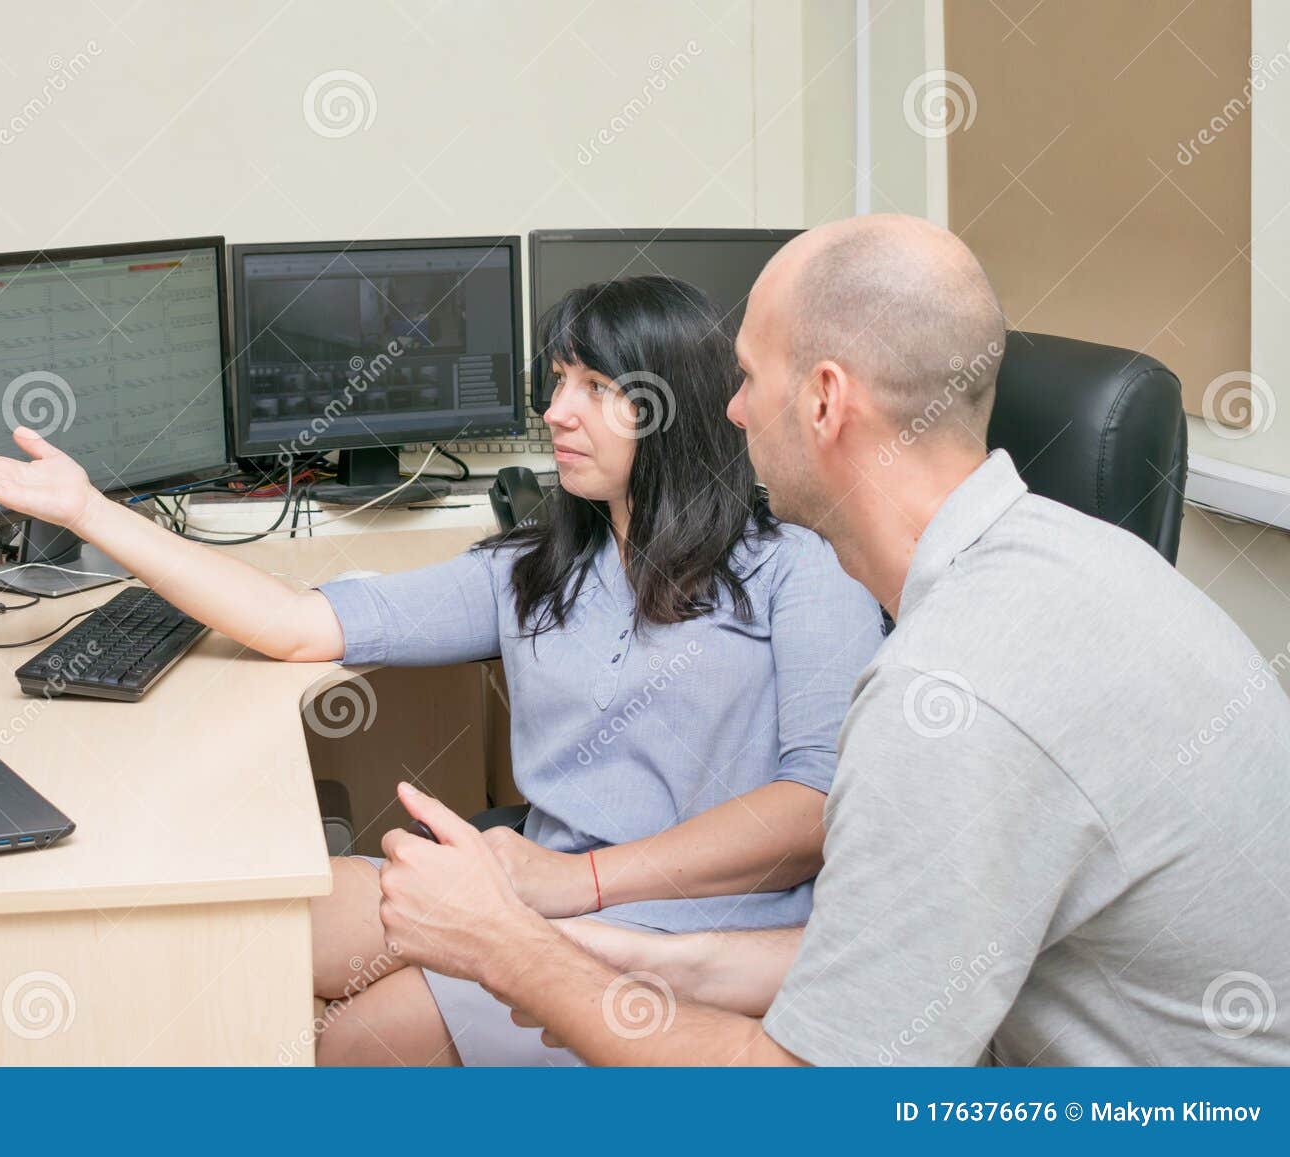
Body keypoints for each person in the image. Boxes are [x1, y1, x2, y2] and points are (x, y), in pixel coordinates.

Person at [372, 214, 1290, 1066]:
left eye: (745, 378)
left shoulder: (947, 695)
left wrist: (511, 952)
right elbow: (864, 974)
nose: (727, 412)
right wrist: (592, 946)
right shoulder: (1078, 560)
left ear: (822, 402)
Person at [0, 274, 886, 1066]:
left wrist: (577, 880)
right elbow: (297, 624)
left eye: (593, 387)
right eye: (555, 382)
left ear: (668, 406)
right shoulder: (537, 570)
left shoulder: (803, 570)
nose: (556, 412)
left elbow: (811, 810)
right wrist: (90, 509)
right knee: (245, 932)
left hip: (694, 941)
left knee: (357, 1037)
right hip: (518, 887)